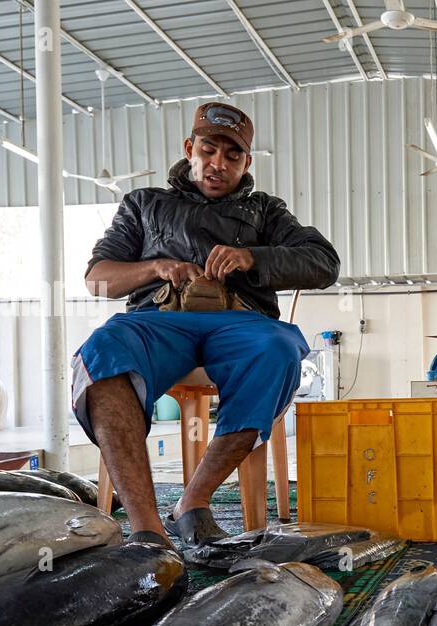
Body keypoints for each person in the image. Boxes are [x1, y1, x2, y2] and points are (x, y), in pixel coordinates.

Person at [75, 102, 340, 546]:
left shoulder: (266, 211)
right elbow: (98, 281)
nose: (218, 164)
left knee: (278, 348)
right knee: (103, 349)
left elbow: (324, 263)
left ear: (246, 162)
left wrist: (253, 256)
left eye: (232, 155)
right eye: (208, 150)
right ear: (189, 148)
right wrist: (155, 267)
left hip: (240, 325)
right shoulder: (144, 204)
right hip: (157, 323)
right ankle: (146, 531)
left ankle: (192, 503)